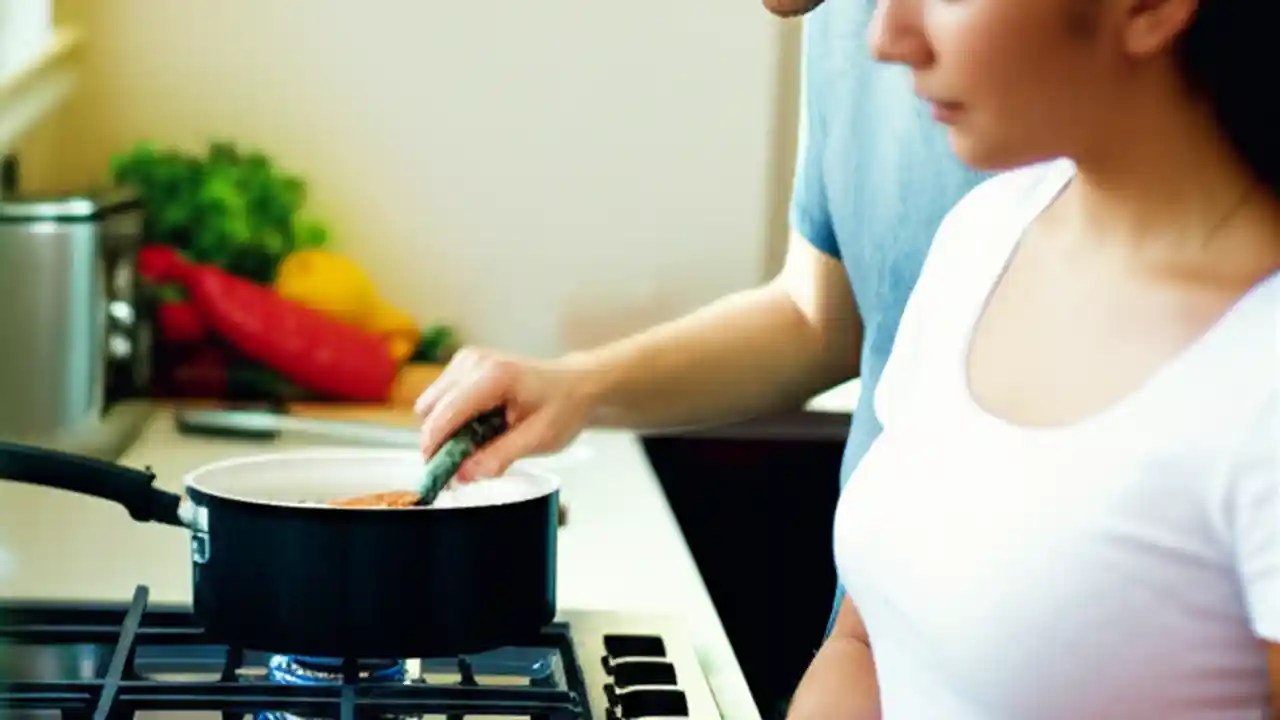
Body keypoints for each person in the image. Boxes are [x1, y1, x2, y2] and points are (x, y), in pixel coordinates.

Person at [415, 0, 986, 712]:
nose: (891, 39)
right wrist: (577, 386)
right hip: (875, 640)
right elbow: (823, 320)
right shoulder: (845, 23)